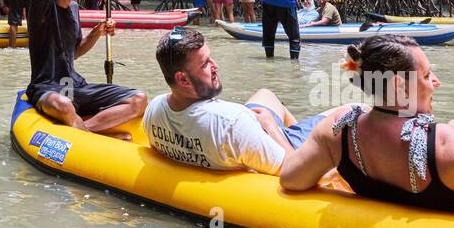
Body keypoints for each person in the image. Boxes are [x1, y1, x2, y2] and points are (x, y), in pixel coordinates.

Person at [277, 34, 454, 228]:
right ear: (399, 87)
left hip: (434, 184)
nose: (436, 82)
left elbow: (291, 179)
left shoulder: (339, 127)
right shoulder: (443, 144)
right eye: (427, 76)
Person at [144, 29, 339, 174]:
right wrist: (271, 128)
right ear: (183, 79)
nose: (215, 66)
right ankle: (303, 145)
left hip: (244, 137)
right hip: (280, 147)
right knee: (352, 110)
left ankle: (296, 133)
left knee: (265, 94)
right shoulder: (232, 122)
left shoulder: (153, 109)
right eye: (205, 64)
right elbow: (293, 171)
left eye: (211, 59)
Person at [24, 0, 146, 138]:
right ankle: (97, 136)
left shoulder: (73, 9)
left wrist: (97, 32)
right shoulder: (40, 3)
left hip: (72, 84)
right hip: (47, 87)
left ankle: (87, 131)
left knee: (139, 100)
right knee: (64, 105)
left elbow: (75, 52)